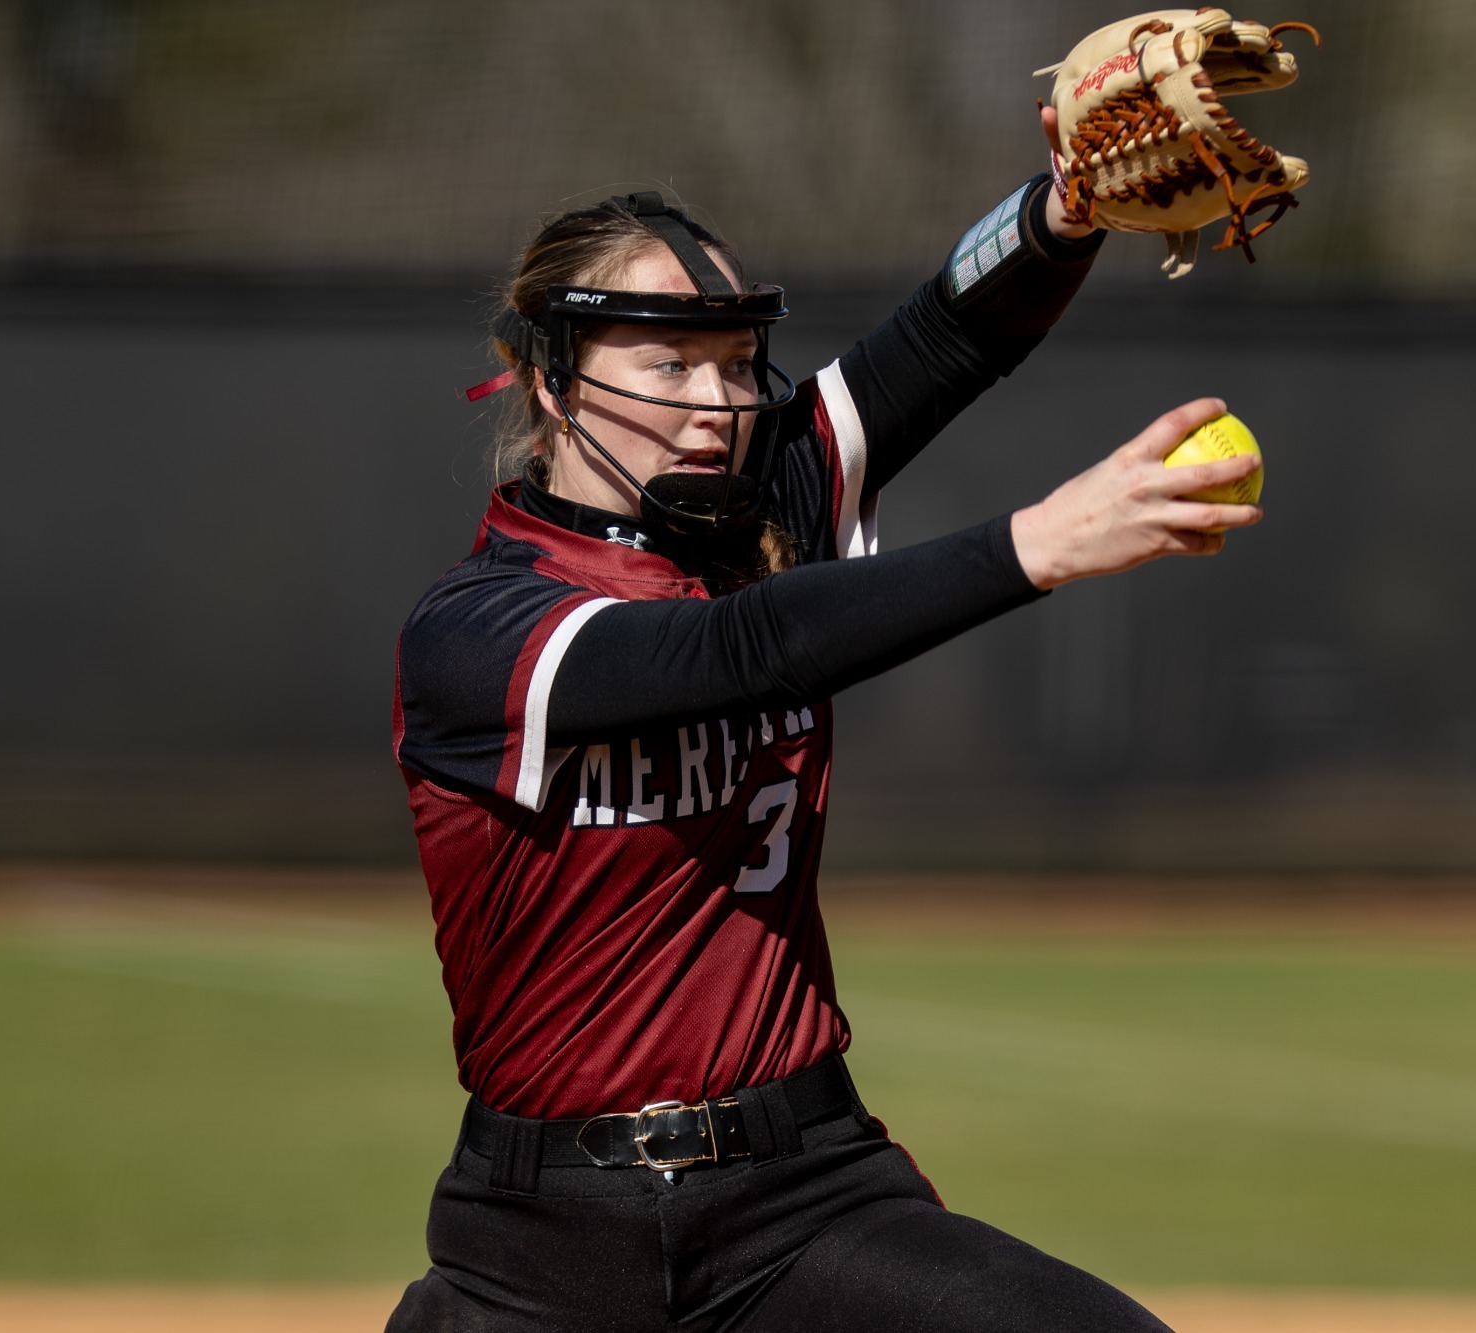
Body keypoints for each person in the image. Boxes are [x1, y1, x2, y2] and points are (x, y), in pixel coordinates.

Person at [387, 129, 1262, 1332]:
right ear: (552, 379)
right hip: (543, 1241)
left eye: (734, 363)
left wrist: (1058, 210)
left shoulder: (770, 505)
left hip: (800, 1200)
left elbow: (949, 332)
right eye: (665, 366)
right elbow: (735, 653)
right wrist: (1040, 543)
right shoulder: (480, 629)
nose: (715, 404)